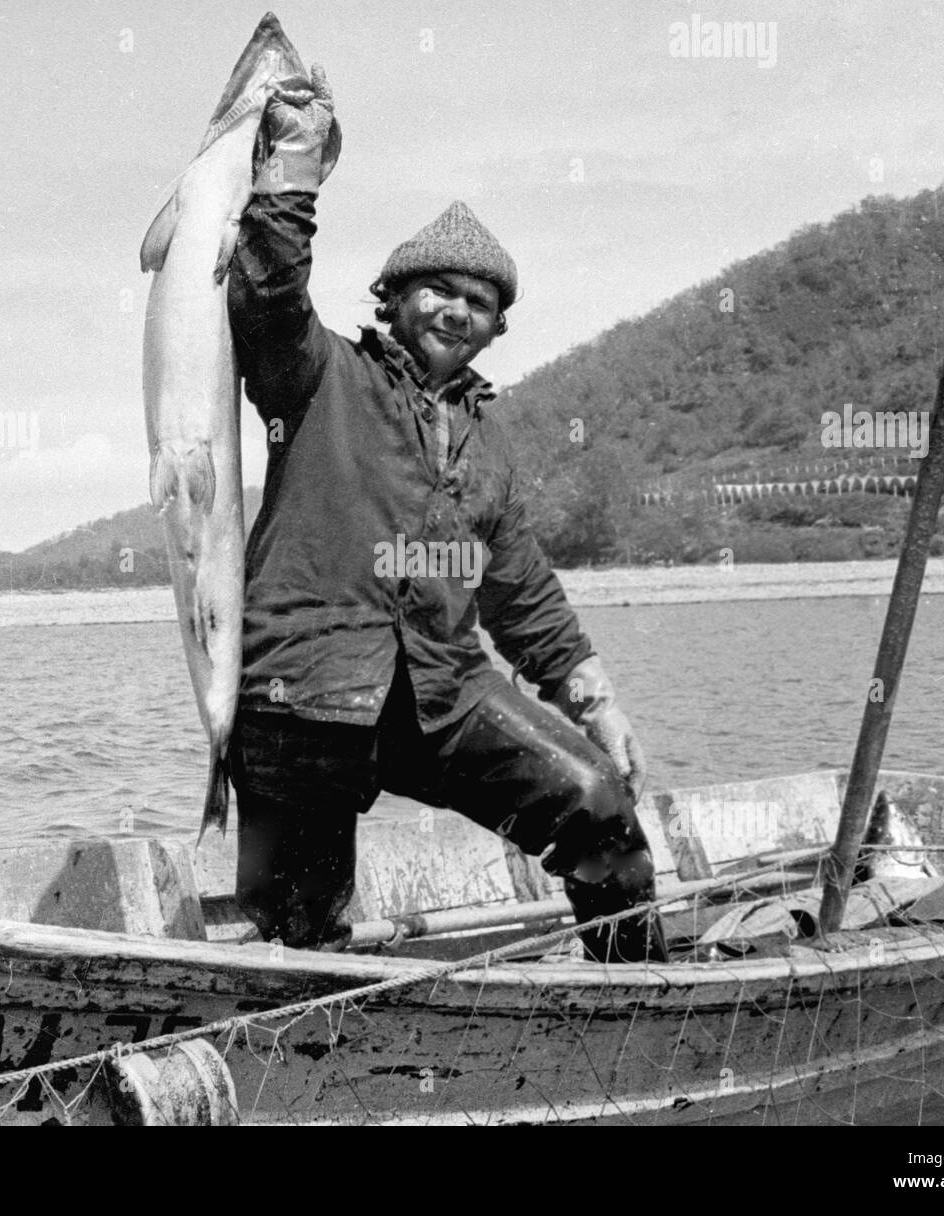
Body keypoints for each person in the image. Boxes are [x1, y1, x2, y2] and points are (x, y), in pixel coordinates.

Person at [226, 68, 666, 963]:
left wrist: (596, 701)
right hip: (304, 692)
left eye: (481, 302)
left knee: (600, 811)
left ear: (496, 330)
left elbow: (522, 595)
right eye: (439, 290)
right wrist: (294, 168)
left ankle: (642, 1005)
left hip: (443, 693)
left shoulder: (488, 447)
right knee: (302, 939)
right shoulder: (316, 378)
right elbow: (266, 299)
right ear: (393, 299)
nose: (458, 310)